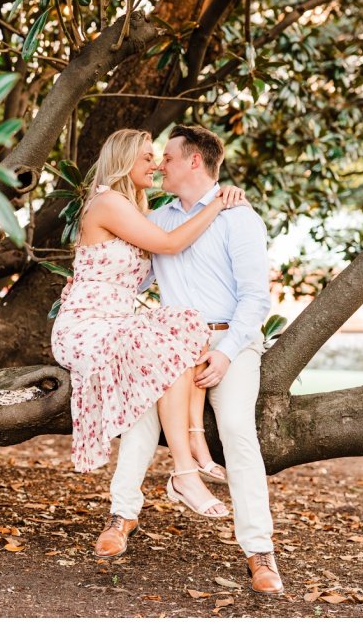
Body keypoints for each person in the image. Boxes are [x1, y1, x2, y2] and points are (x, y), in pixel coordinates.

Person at [92, 125, 284, 595]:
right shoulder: (155, 218)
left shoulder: (239, 218)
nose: (160, 165)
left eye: (169, 158)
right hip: (172, 343)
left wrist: (223, 352)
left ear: (194, 161)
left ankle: (260, 552)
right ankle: (122, 517)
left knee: (237, 428)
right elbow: (130, 278)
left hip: (229, 343)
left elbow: (255, 300)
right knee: (140, 419)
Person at [50, 128, 249, 522]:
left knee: (187, 323)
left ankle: (194, 446)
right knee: (156, 344)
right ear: (124, 161)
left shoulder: (135, 210)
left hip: (116, 323)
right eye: (146, 157)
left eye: (158, 157)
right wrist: (216, 204)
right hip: (86, 327)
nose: (156, 165)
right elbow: (170, 245)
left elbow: (135, 271)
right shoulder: (108, 202)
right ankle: (185, 473)